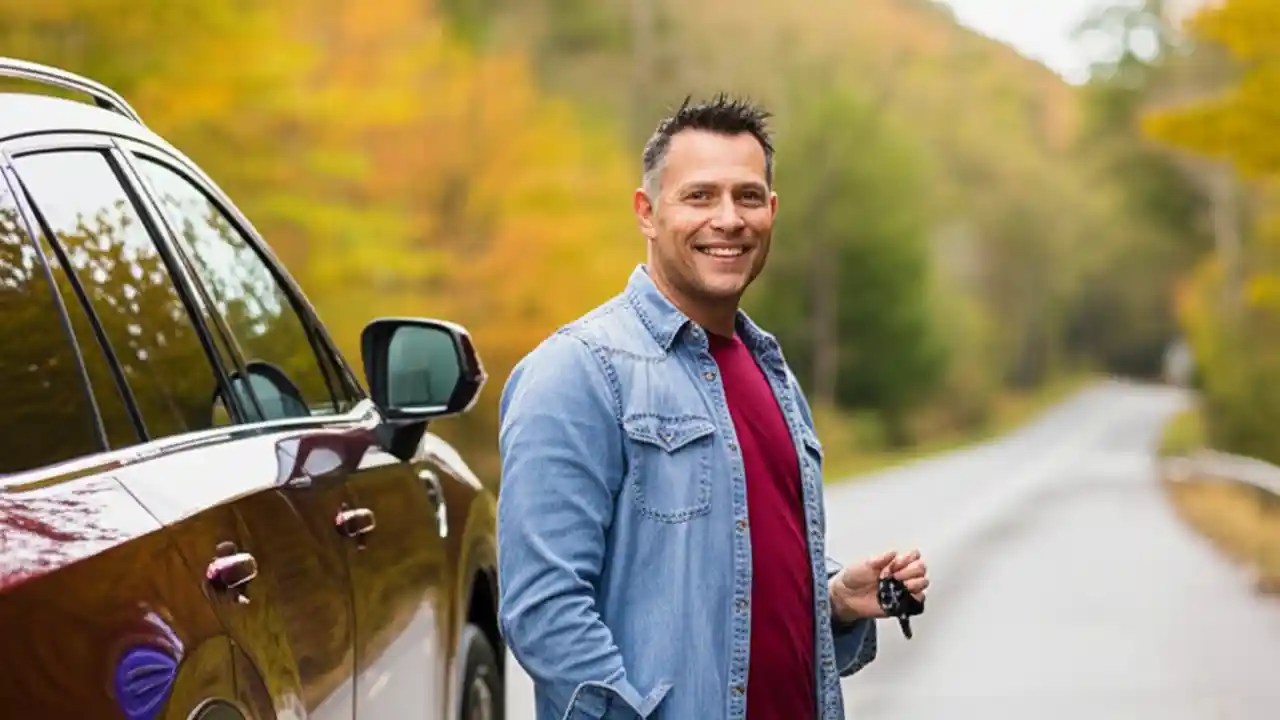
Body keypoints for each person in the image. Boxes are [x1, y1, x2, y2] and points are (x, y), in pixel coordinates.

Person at [496, 95, 930, 720]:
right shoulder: (579, 371)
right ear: (647, 212)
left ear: (772, 211)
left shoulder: (770, 371)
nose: (728, 219)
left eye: (748, 197)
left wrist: (833, 599)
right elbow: (544, 609)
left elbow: (737, 587)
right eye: (699, 196)